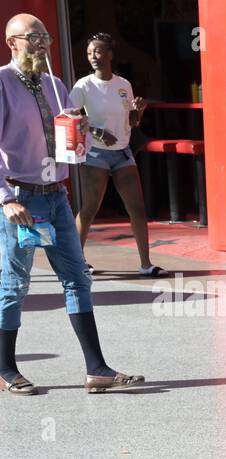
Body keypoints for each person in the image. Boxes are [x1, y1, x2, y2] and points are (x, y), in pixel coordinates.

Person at [0, 13, 143, 396]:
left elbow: (69, 135)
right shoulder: (1, 82)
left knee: (78, 278)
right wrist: (5, 199)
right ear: (12, 41)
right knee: (14, 284)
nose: (41, 44)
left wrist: (78, 134)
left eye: (45, 37)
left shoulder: (55, 83)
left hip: (55, 194)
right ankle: (6, 368)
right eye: (33, 37)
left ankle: (97, 368)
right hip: (20, 194)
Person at [71, 32, 166, 277]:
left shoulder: (124, 84)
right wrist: (97, 132)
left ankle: (146, 264)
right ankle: (77, 262)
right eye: (90, 52)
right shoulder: (84, 85)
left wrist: (139, 112)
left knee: (137, 208)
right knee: (90, 209)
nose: (93, 56)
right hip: (96, 154)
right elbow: (68, 116)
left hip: (123, 152)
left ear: (110, 55)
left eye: (98, 51)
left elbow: (131, 121)